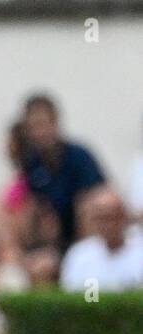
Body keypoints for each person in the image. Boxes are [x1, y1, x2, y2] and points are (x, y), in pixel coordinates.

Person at [21, 92, 106, 253]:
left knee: (87, 205)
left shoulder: (79, 156)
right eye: (33, 127)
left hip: (86, 234)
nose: (39, 133)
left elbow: (98, 197)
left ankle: (85, 256)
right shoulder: (31, 163)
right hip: (55, 237)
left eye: (42, 124)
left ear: (55, 123)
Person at [61, 185, 143, 292]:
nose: (108, 225)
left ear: (124, 217)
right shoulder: (79, 255)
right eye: (101, 218)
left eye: (113, 217)